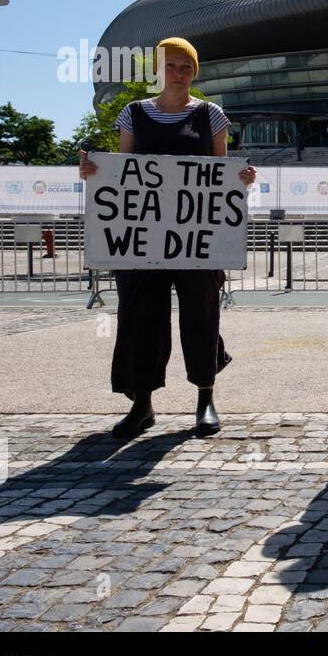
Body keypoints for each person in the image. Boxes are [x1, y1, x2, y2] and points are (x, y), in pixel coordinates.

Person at [79, 37, 256, 440]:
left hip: (197, 238)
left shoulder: (211, 114)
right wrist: (94, 172)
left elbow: (220, 171)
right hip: (143, 240)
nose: (178, 74)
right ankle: (141, 404)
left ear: (195, 72)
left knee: (202, 315)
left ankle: (205, 398)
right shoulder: (134, 113)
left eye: (186, 67)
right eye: (172, 66)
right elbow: (122, 172)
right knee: (141, 318)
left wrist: (242, 179)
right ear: (159, 70)